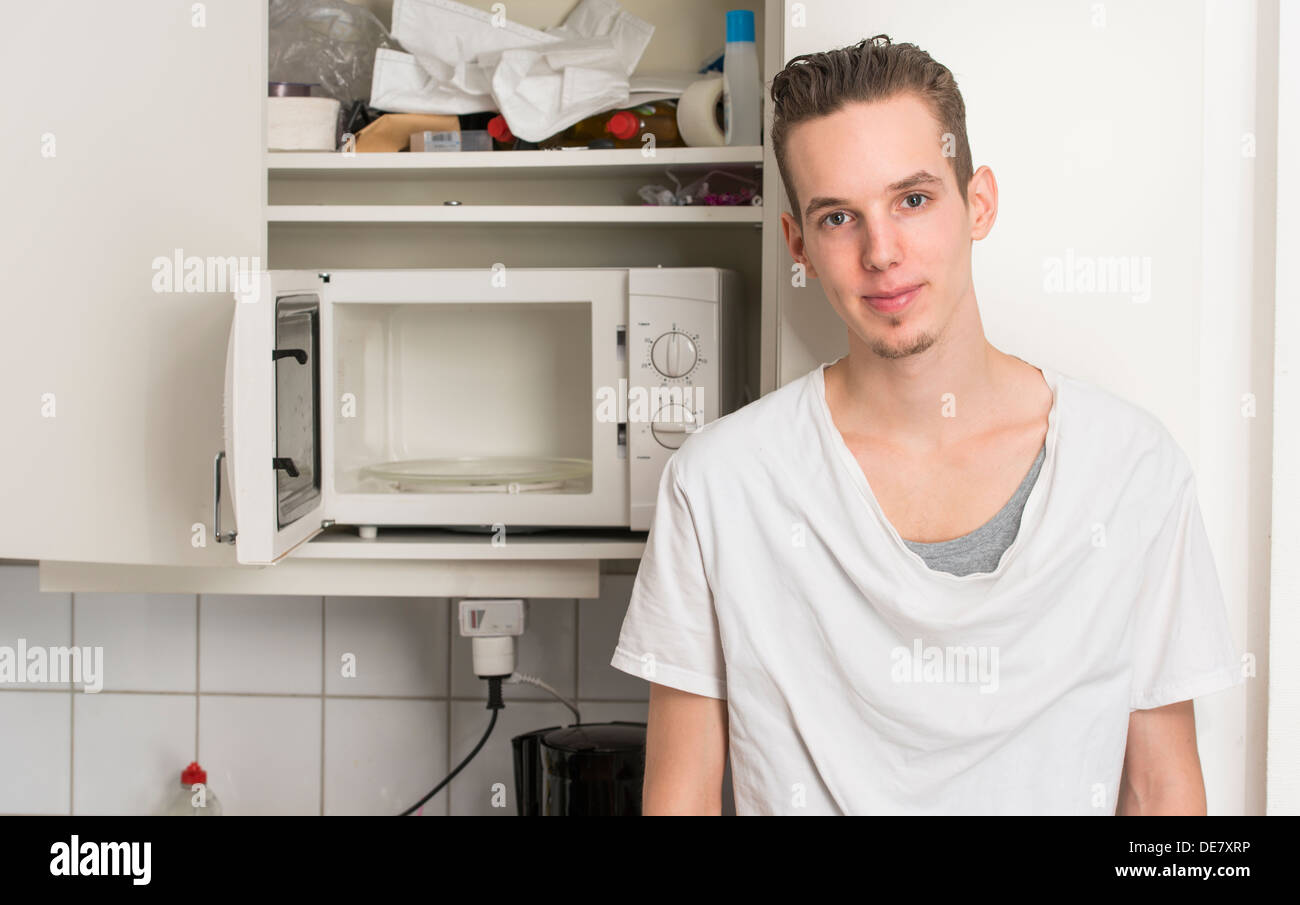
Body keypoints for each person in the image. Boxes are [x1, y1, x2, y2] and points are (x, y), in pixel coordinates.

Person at [609, 34, 1242, 815]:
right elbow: (680, 799)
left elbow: (1163, 793)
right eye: (840, 217)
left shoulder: (1132, 468)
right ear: (798, 243)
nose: (882, 252)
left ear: (977, 204)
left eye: (913, 199)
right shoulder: (719, 486)